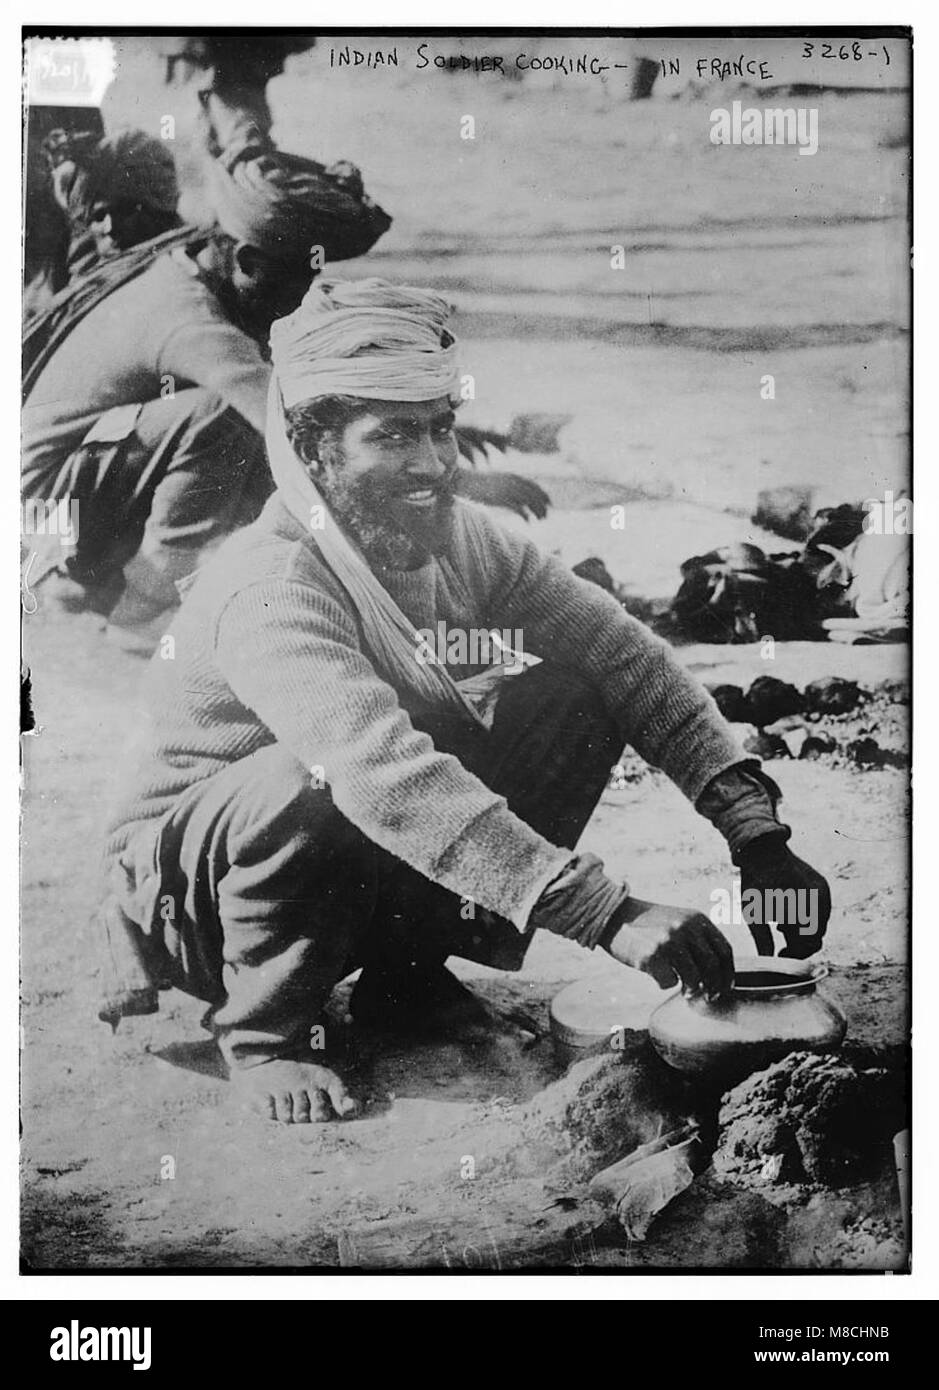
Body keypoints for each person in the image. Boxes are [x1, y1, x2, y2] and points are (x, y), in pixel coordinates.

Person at [98, 277, 831, 1122]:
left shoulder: (456, 537)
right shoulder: (271, 586)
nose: (433, 462)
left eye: (440, 427)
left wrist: (755, 835)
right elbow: (381, 773)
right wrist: (606, 914)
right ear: (310, 446)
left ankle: (406, 978)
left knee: (569, 693)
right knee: (317, 778)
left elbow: (626, 657)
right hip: (198, 903)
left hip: (345, 859)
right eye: (393, 435)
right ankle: (263, 1033)